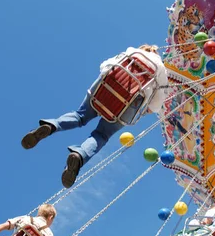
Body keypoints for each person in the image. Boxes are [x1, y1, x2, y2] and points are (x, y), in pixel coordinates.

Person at [21, 44, 168, 188]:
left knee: (79, 116)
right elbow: (156, 105)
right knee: (101, 135)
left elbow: (105, 65)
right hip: (126, 106)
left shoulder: (132, 52)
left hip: (105, 89)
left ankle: (51, 126)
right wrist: (145, 110)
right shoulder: (161, 69)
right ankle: (79, 156)